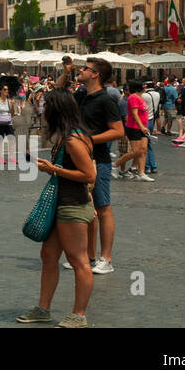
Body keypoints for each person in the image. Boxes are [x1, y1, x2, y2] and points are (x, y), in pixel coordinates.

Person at [17, 89, 98, 328]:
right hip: (61, 205)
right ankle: (43, 308)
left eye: (46, 107)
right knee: (49, 256)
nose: (42, 112)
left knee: (79, 261)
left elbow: (88, 174)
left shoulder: (74, 140)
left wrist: (53, 169)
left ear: (57, 111)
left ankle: (79, 314)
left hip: (71, 206)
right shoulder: (69, 136)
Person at [60, 57, 124, 275]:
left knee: (103, 207)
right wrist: (65, 72)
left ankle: (106, 258)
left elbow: (118, 131)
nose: (81, 70)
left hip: (99, 160)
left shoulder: (106, 100)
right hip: (79, 158)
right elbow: (57, 96)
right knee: (88, 210)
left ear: (95, 74)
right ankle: (88, 256)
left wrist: (89, 140)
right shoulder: (80, 95)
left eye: (85, 68)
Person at [113, 79, 153, 181]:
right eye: (144, 84)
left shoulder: (140, 97)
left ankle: (141, 173)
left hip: (142, 127)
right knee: (136, 151)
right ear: (138, 87)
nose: (145, 86)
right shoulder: (133, 97)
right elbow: (134, 114)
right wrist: (142, 126)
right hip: (134, 127)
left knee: (143, 150)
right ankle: (114, 165)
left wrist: (145, 126)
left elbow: (142, 113)